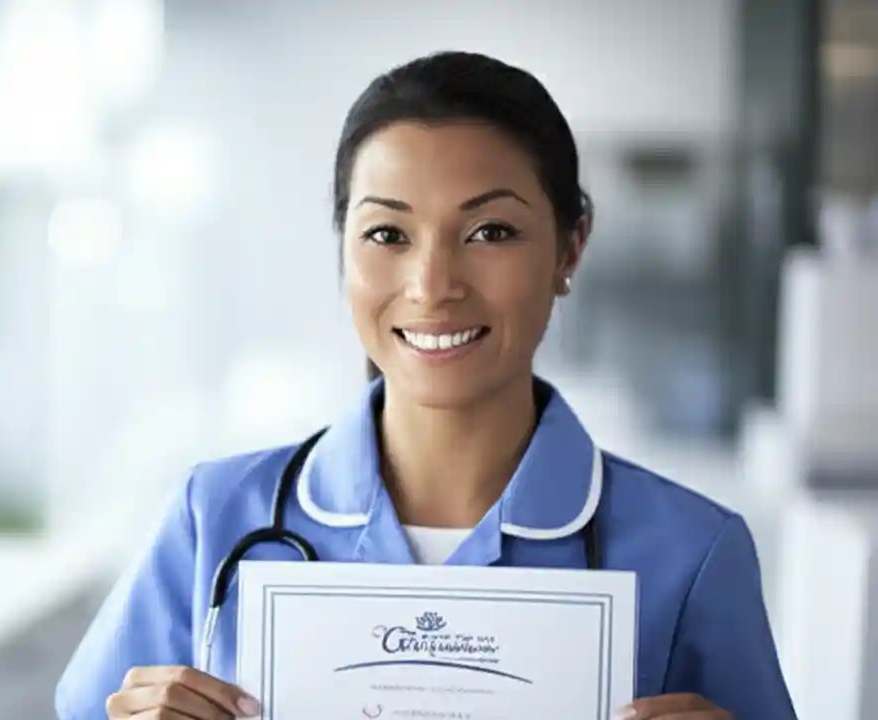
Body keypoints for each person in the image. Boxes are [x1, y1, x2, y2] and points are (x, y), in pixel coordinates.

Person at [55, 51, 796, 720]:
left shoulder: (693, 554)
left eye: (491, 232)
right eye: (388, 234)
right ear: (343, 249)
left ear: (570, 247)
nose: (433, 285)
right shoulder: (212, 520)